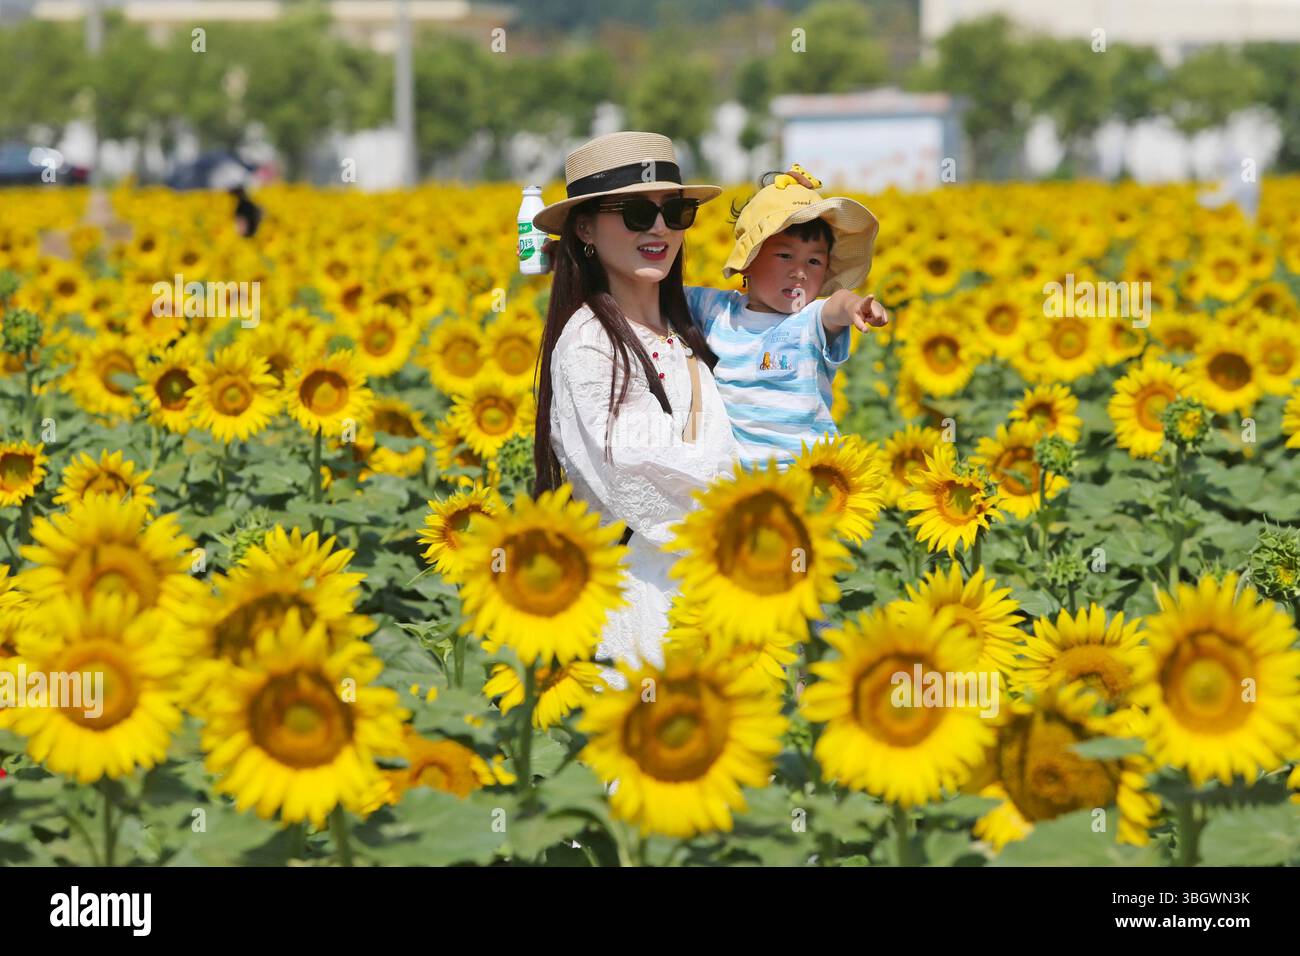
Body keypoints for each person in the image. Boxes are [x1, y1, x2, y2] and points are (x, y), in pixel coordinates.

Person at [532, 131, 741, 687]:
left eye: (675, 212)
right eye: (634, 213)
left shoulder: (693, 328)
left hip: (727, 599)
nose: (659, 230)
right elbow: (641, 481)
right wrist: (763, 510)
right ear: (584, 228)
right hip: (646, 611)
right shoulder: (589, 345)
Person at [684, 164, 889, 469]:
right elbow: (659, 293)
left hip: (809, 478)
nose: (800, 272)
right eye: (784, 255)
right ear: (747, 261)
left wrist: (854, 307)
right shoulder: (718, 311)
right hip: (737, 486)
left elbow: (836, 304)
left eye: (815, 261)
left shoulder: (807, 320)